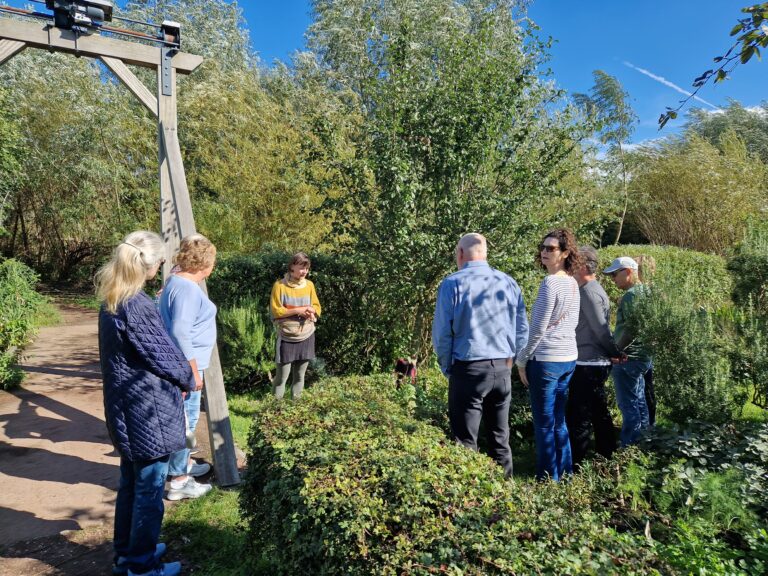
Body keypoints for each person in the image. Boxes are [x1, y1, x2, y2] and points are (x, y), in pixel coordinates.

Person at [97, 231, 193, 576]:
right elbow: (164, 355)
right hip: (147, 411)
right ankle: (141, 565)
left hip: (126, 408)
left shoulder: (112, 298)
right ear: (149, 264)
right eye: (162, 262)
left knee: (130, 484)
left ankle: (128, 553)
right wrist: (187, 377)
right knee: (149, 491)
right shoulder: (136, 305)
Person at [432, 233, 529, 478]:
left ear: (460, 254)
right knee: (500, 438)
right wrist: (512, 359)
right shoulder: (508, 282)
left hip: (469, 368)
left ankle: (471, 503)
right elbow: (522, 329)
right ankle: (506, 498)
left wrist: (447, 367)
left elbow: (443, 334)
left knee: (465, 442)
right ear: (485, 253)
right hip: (502, 367)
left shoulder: (452, 284)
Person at [516, 229, 581, 481]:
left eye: (551, 248)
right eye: (543, 247)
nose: (544, 252)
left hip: (547, 359)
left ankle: (547, 480)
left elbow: (538, 328)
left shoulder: (551, 283)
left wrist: (522, 360)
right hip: (568, 357)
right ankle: (564, 476)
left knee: (544, 424)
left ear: (565, 253)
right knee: (558, 421)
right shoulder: (573, 283)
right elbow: (572, 322)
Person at [159, 234, 217, 501]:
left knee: (182, 421)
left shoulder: (176, 281)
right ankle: (180, 481)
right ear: (204, 263)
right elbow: (181, 332)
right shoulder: (188, 289)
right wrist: (193, 371)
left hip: (179, 365)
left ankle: (182, 466)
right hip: (186, 368)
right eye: (212, 259)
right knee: (186, 424)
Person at [565, 246, 621, 469]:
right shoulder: (590, 289)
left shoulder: (589, 292)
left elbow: (600, 329)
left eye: (573, 262)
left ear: (583, 266)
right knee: (598, 412)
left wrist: (614, 352)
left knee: (579, 415)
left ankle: (576, 465)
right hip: (592, 361)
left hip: (589, 362)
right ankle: (607, 457)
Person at [604, 256, 652, 446]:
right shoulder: (646, 291)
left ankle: (629, 448)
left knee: (628, 405)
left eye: (615, 274)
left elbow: (632, 328)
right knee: (640, 402)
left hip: (628, 359)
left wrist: (617, 351)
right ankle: (646, 442)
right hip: (642, 356)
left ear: (629, 272)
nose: (612, 278)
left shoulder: (632, 295)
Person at [270, 252, 321, 400]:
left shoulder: (310, 285)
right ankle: (274, 412)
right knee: (281, 378)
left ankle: (295, 412)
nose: (304, 271)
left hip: (307, 335)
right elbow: (276, 311)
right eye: (301, 267)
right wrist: (298, 310)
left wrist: (313, 312)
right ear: (292, 266)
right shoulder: (279, 286)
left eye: (307, 268)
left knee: (299, 376)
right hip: (287, 337)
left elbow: (317, 306)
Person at [635, 254, 657, 427]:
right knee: (647, 386)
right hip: (650, 344)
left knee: (641, 389)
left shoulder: (639, 293)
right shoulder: (656, 291)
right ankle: (651, 425)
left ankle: (646, 426)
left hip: (640, 347)